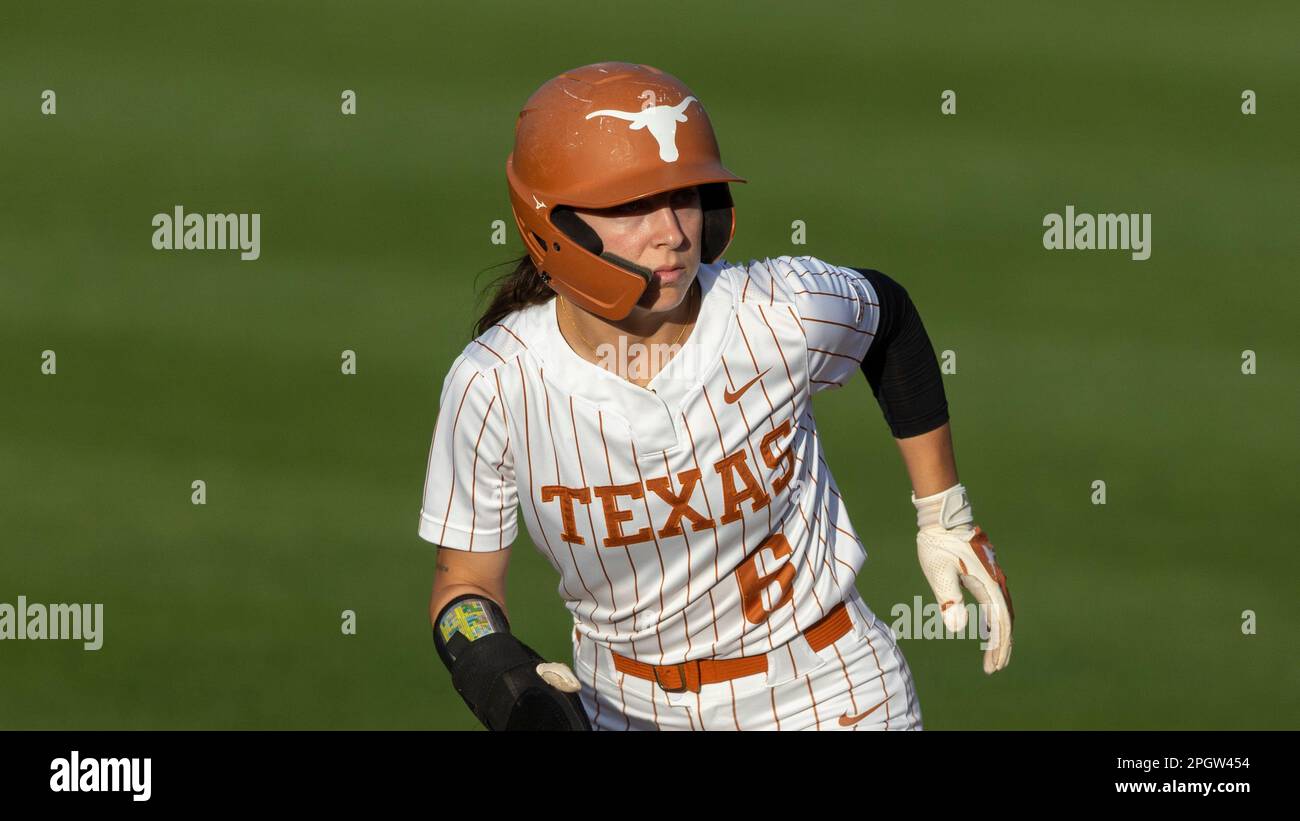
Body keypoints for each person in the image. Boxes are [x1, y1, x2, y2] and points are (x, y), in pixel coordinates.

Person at [421, 61, 1014, 731]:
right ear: (552, 222)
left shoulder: (777, 310)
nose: (672, 231)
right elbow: (463, 591)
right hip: (622, 709)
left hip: (828, 695)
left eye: (685, 195)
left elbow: (889, 319)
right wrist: (510, 690)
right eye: (631, 206)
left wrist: (944, 512)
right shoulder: (495, 382)